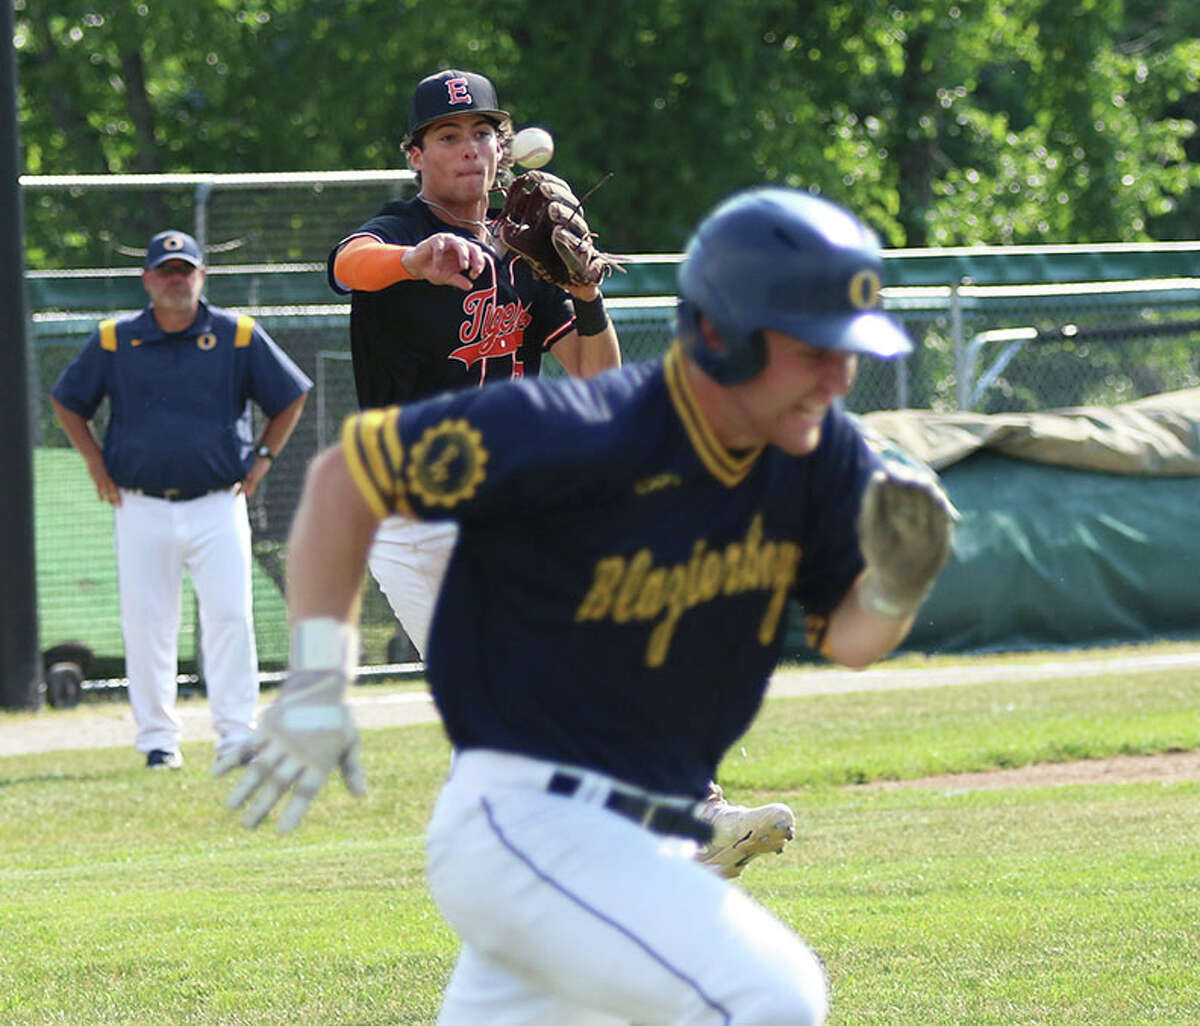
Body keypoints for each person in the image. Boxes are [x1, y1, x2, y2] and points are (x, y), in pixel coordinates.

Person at [218, 186, 956, 1024]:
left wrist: (896, 586)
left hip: (547, 841)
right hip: (528, 828)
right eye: (811, 347)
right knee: (770, 995)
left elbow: (851, 638)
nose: (839, 375)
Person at [327, 67, 790, 876]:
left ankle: (691, 819)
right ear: (416, 156)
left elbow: (593, 372)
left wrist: (580, 290)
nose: (467, 148)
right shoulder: (396, 232)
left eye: (481, 133)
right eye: (446, 136)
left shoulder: (523, 246)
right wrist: (417, 258)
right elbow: (348, 264)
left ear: (503, 146)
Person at [51, 229, 312, 770]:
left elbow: (291, 395)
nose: (176, 279)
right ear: (147, 279)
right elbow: (67, 400)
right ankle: (157, 741)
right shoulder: (114, 338)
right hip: (139, 503)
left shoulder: (237, 334)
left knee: (230, 618)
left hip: (218, 502)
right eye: (166, 271)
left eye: (184, 269)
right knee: (147, 624)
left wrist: (263, 458)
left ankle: (237, 735)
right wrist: (94, 462)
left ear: (201, 275)